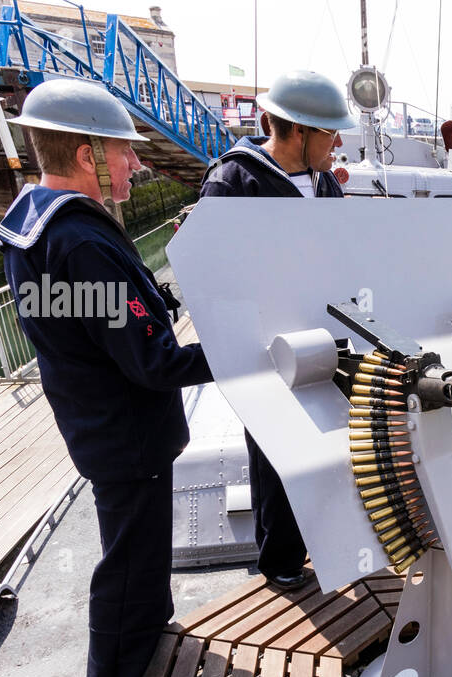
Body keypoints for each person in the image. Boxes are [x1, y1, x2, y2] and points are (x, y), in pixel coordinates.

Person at [0, 78, 214, 677]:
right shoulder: (84, 242)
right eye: (122, 153)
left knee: (142, 557)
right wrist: (240, 354)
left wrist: (160, 295)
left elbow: (98, 321)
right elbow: (152, 364)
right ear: (86, 155)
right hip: (127, 434)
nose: (134, 166)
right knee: (127, 567)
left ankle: (152, 636)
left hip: (97, 424)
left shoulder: (35, 221)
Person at [199, 71, 356, 588]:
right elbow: (211, 274)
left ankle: (323, 545)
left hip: (325, 339)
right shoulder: (232, 181)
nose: (337, 145)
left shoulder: (324, 181)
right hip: (267, 349)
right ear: (298, 131)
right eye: (330, 135)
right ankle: (282, 563)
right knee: (274, 458)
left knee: (327, 446)